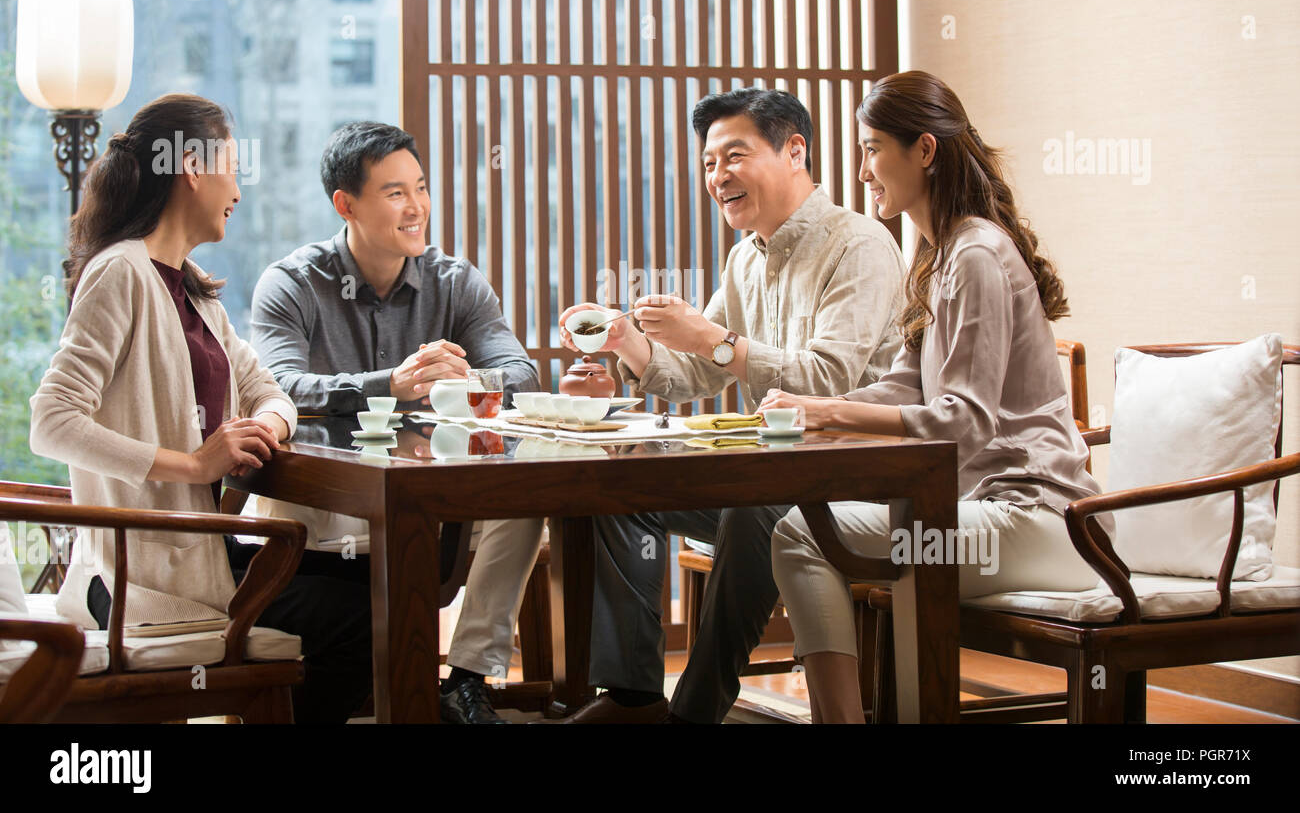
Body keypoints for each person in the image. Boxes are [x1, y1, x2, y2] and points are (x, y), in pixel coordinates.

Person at [760, 70, 1104, 723]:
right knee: (813, 530)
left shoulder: (976, 255)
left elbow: (963, 421)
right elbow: (906, 384)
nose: (863, 171)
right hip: (982, 511)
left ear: (924, 150)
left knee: (804, 536)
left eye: (872, 149)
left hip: (1042, 522)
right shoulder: (937, 254)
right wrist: (807, 418)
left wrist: (827, 412)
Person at [555, 87, 907, 723]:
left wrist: (711, 340)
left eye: (734, 156)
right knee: (617, 488)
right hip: (774, 474)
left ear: (794, 151)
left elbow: (827, 379)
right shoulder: (745, 259)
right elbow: (696, 372)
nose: (718, 176)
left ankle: (693, 713)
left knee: (756, 510)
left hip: (858, 480)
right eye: (709, 163)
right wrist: (625, 339)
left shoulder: (860, 245)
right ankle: (633, 696)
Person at [29, 93, 371, 723]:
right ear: (191, 167)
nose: (237, 191)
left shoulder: (194, 291)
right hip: (139, 575)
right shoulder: (121, 272)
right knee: (361, 617)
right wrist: (194, 464)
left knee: (376, 583)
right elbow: (52, 421)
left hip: (198, 553)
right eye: (231, 171)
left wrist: (263, 425)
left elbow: (269, 390)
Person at [249, 121, 540, 724]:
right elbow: (278, 387)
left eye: (421, 188)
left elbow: (521, 373)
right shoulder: (293, 283)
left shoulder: (455, 282)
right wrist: (391, 384)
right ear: (346, 204)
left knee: (524, 499)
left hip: (433, 499)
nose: (417, 207)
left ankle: (465, 679)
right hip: (323, 504)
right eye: (395, 192)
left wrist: (467, 378)